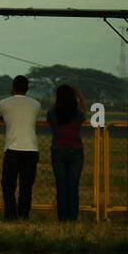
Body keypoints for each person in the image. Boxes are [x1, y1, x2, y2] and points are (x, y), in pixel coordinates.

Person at [0, 75, 42, 221]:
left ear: (12, 87)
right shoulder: (36, 104)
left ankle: (10, 215)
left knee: (8, 185)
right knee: (26, 186)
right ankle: (24, 215)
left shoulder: (3, 103)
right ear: (27, 88)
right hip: (31, 149)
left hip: (12, 149)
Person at [47, 83, 86, 222]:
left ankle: (62, 217)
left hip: (58, 150)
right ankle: (73, 217)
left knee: (61, 186)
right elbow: (83, 109)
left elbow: (50, 112)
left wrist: (58, 101)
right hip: (76, 151)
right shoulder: (78, 114)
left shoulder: (53, 114)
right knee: (73, 186)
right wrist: (79, 95)